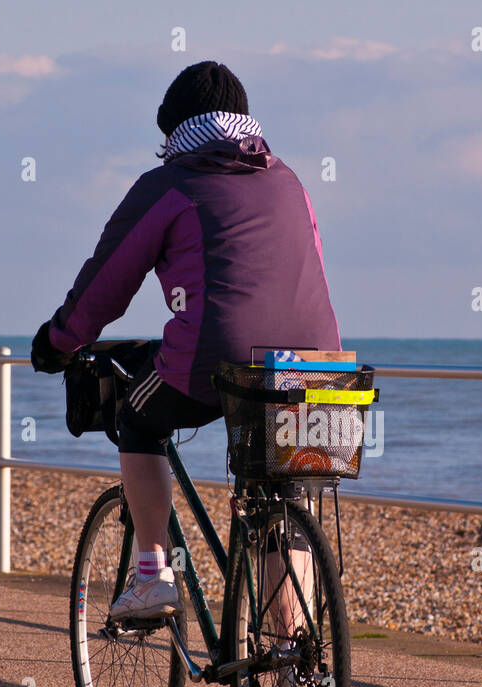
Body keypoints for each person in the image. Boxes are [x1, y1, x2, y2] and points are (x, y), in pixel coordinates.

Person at [31, 61, 341, 625]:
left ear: (174, 132)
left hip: (213, 359)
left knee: (138, 418)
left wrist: (59, 339)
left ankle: (152, 576)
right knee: (284, 494)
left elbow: (107, 283)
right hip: (318, 367)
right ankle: (301, 670)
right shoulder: (290, 179)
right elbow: (312, 265)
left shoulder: (169, 185)